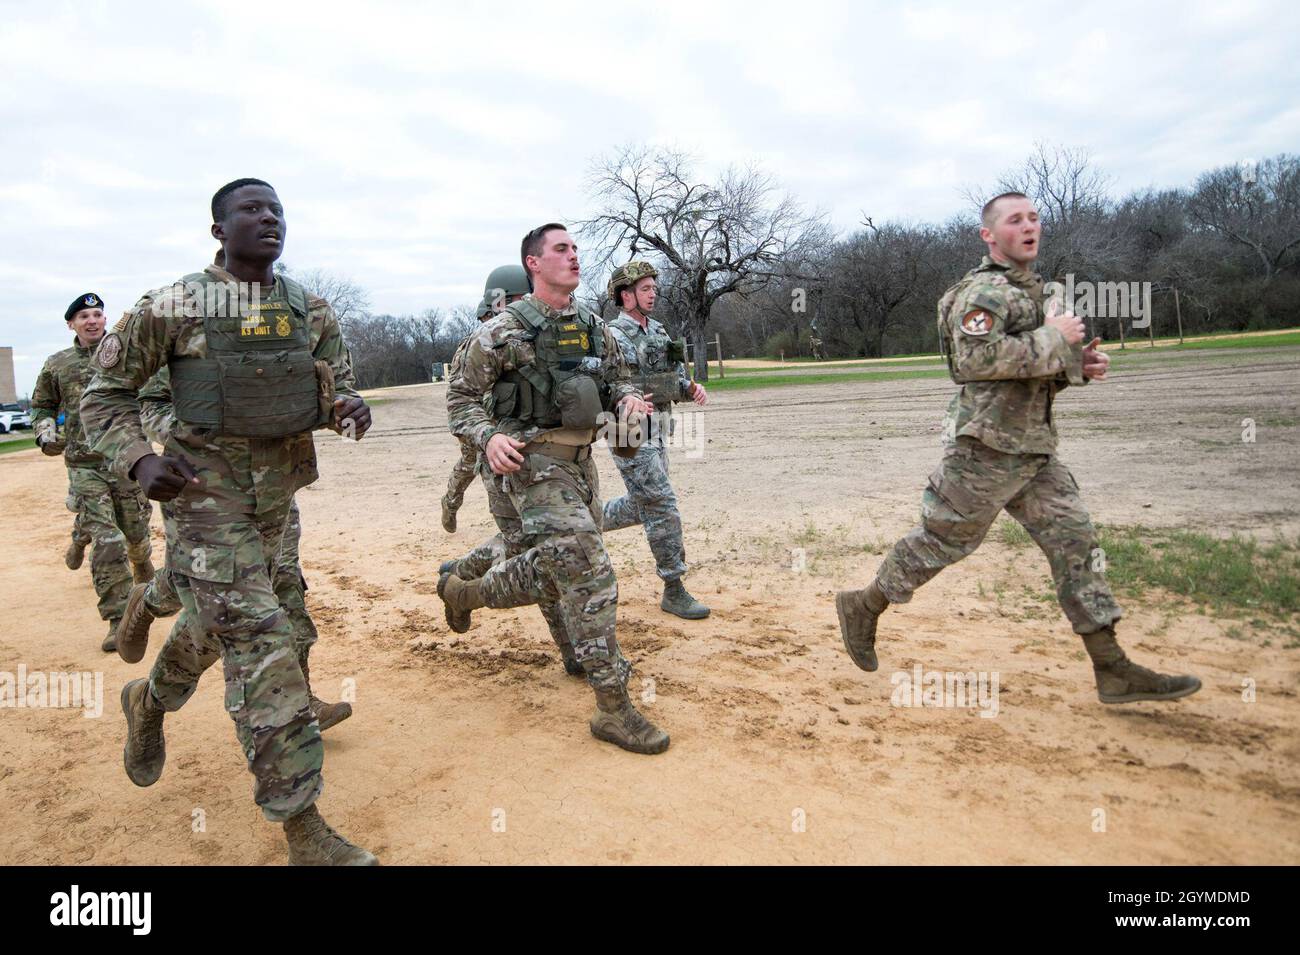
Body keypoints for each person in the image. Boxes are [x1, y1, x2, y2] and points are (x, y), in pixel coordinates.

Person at [80, 178, 378, 864]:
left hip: (277, 501)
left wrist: (347, 407)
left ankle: (149, 700)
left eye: (276, 208)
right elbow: (105, 395)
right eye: (250, 209)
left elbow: (335, 379)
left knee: (216, 627)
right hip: (202, 500)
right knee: (264, 640)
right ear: (219, 230)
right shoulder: (176, 303)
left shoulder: (309, 308)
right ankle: (301, 823)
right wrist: (137, 460)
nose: (268, 218)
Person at [835, 192, 1201, 706]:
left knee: (1076, 544)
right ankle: (864, 605)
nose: (1028, 226)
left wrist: (1077, 366)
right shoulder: (982, 293)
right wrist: (1054, 340)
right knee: (942, 543)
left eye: (1033, 218)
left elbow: (1029, 370)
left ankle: (1113, 670)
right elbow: (975, 362)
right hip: (983, 449)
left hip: (1034, 452)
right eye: (1014, 220)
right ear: (990, 235)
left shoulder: (1042, 291)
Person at [439, 223, 668, 754]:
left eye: (575, 249)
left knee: (559, 570)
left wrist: (630, 400)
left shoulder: (592, 325)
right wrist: (488, 435)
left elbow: (619, 379)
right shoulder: (499, 332)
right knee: (590, 570)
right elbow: (460, 401)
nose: (574, 256)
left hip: (582, 464)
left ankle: (465, 591)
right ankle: (613, 707)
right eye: (561, 249)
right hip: (531, 467)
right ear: (534, 264)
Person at [117, 362, 353, 731]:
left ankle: (299, 701)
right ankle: (151, 679)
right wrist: (209, 433)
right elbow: (150, 404)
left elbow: (330, 391)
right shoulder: (184, 322)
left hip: (275, 490)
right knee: (216, 619)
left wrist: (338, 410)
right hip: (206, 494)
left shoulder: (296, 317)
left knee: (287, 590)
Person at [439, 265, 586, 676]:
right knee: (531, 550)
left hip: (538, 467)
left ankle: (461, 576)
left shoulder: (541, 335)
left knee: (542, 550)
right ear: (502, 302)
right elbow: (464, 412)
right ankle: (464, 588)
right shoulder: (481, 345)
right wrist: (479, 457)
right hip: (501, 468)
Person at [32, 293, 154, 651]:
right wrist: (45, 432)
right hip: (85, 465)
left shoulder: (128, 359)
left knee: (134, 531)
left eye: (98, 314)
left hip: (128, 461)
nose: (92, 320)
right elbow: (42, 406)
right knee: (109, 539)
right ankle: (119, 619)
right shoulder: (58, 364)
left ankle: (136, 557)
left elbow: (155, 397)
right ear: (71, 324)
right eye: (84, 315)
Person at [601, 261, 710, 619]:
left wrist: (690, 388)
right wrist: (624, 398)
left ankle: (584, 520)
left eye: (653, 288)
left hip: (659, 428)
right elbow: (602, 384)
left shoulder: (661, 332)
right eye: (645, 289)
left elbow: (674, 377)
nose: (653, 294)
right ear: (625, 295)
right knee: (661, 503)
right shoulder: (610, 335)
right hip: (627, 430)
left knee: (642, 503)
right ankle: (674, 587)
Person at [440, 264, 530, 533]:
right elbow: (461, 395)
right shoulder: (477, 344)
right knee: (470, 465)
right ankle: (451, 503)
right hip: (480, 423)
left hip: (504, 421)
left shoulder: (521, 336)